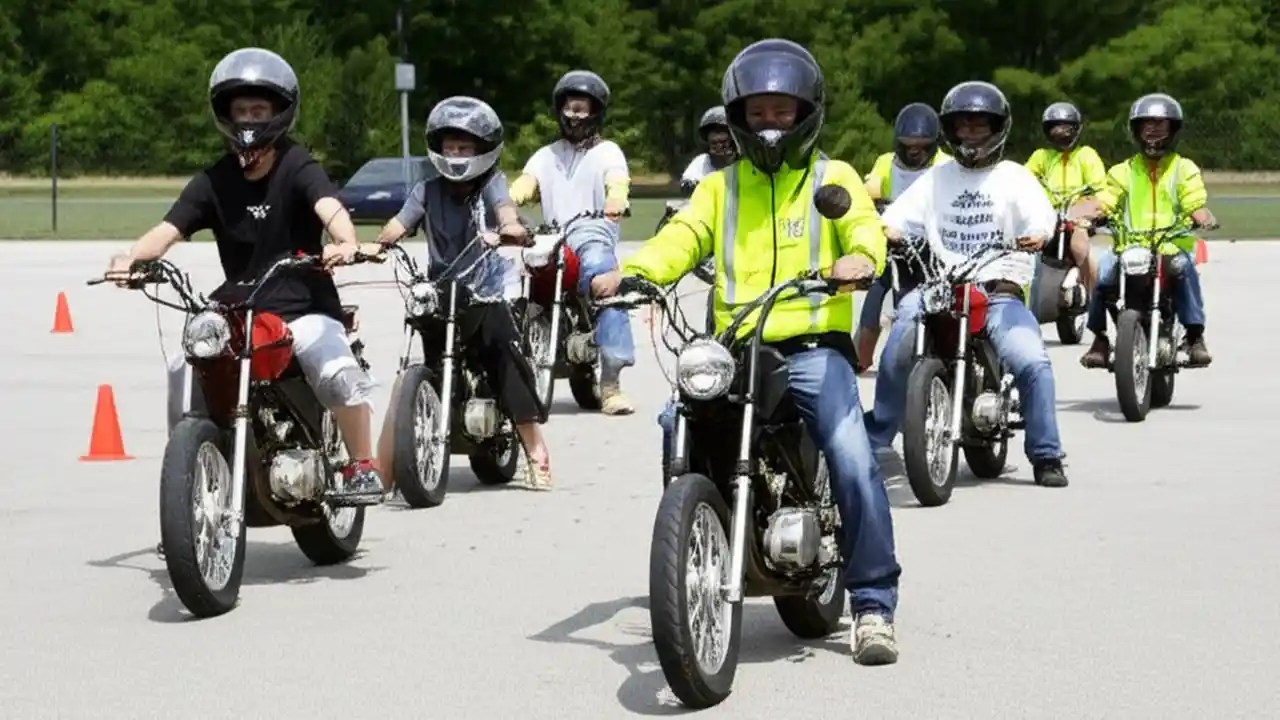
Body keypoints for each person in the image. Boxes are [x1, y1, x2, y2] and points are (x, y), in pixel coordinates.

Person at [595, 39, 902, 666]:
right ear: (739, 116)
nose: (769, 124)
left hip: (814, 346)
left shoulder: (832, 179)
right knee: (672, 420)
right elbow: (682, 236)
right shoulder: (719, 188)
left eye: (781, 112)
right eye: (757, 112)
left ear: (805, 113)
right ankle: (696, 531)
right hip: (736, 347)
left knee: (849, 452)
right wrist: (635, 272)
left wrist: (860, 259)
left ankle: (872, 605)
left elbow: (865, 230)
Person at [120, 47, 384, 505]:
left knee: (335, 368)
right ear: (225, 113)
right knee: (186, 363)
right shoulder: (214, 180)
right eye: (240, 108)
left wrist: (344, 242)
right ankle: (189, 492)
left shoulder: (297, 164)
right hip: (241, 309)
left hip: (302, 304)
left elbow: (329, 207)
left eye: (259, 109)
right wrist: (129, 258)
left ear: (280, 112)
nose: (249, 117)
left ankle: (362, 466)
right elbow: (168, 230)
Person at [864, 80, 1070, 489]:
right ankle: (876, 438)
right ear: (950, 130)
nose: (970, 134)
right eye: (962, 126)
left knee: (1032, 361)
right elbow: (897, 218)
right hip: (943, 286)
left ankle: (1046, 454)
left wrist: (1038, 235)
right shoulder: (937, 178)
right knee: (899, 342)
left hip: (999, 291)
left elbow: (1040, 219)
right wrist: (884, 230)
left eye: (980, 126)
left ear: (998, 128)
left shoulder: (1015, 177)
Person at [374, 96, 554, 490]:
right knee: (417, 372)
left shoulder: (492, 184)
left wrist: (509, 229)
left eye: (465, 148)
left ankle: (536, 451)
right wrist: (375, 245)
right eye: (450, 147)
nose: (455, 155)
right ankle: (386, 471)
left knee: (506, 358)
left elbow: (505, 211)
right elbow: (399, 223)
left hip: (485, 294)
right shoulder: (426, 189)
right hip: (441, 292)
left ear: (483, 150)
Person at [508, 70, 636, 416]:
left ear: (595, 112)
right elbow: (527, 182)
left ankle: (610, 384)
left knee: (603, 281)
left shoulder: (609, 152)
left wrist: (616, 199)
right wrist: (509, 200)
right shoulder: (547, 154)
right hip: (550, 235)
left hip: (592, 232)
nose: (573, 115)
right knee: (510, 285)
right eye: (569, 108)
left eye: (581, 108)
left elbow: (616, 180)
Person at [1076, 93, 1217, 369]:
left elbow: (1193, 200)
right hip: (1128, 247)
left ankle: (1195, 336)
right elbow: (1107, 199)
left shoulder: (1183, 168)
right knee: (1104, 273)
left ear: (1173, 129)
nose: (1153, 129)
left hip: (1171, 244)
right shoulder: (1122, 170)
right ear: (1136, 130)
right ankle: (1101, 339)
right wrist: (1089, 214)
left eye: (1160, 124)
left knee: (1184, 268)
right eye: (1146, 124)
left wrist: (1200, 214)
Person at [856, 102, 950, 371]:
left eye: (921, 145)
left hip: (931, 254)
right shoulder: (886, 163)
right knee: (871, 307)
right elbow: (866, 196)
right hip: (890, 248)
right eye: (907, 145)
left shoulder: (946, 166)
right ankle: (859, 361)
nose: (913, 151)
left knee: (922, 309)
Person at [1023, 101, 1107, 293]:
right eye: (1055, 128)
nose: (1060, 133)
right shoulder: (1041, 156)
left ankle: (1095, 292)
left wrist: (1087, 209)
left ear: (1076, 130)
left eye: (1066, 128)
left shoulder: (1086, 155)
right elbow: (1025, 181)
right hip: (1049, 215)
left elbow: (1100, 187)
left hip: (1079, 216)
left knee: (1078, 245)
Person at [678, 105, 738, 194]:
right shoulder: (702, 162)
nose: (719, 146)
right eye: (714, 143)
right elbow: (687, 184)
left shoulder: (745, 162)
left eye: (723, 142)